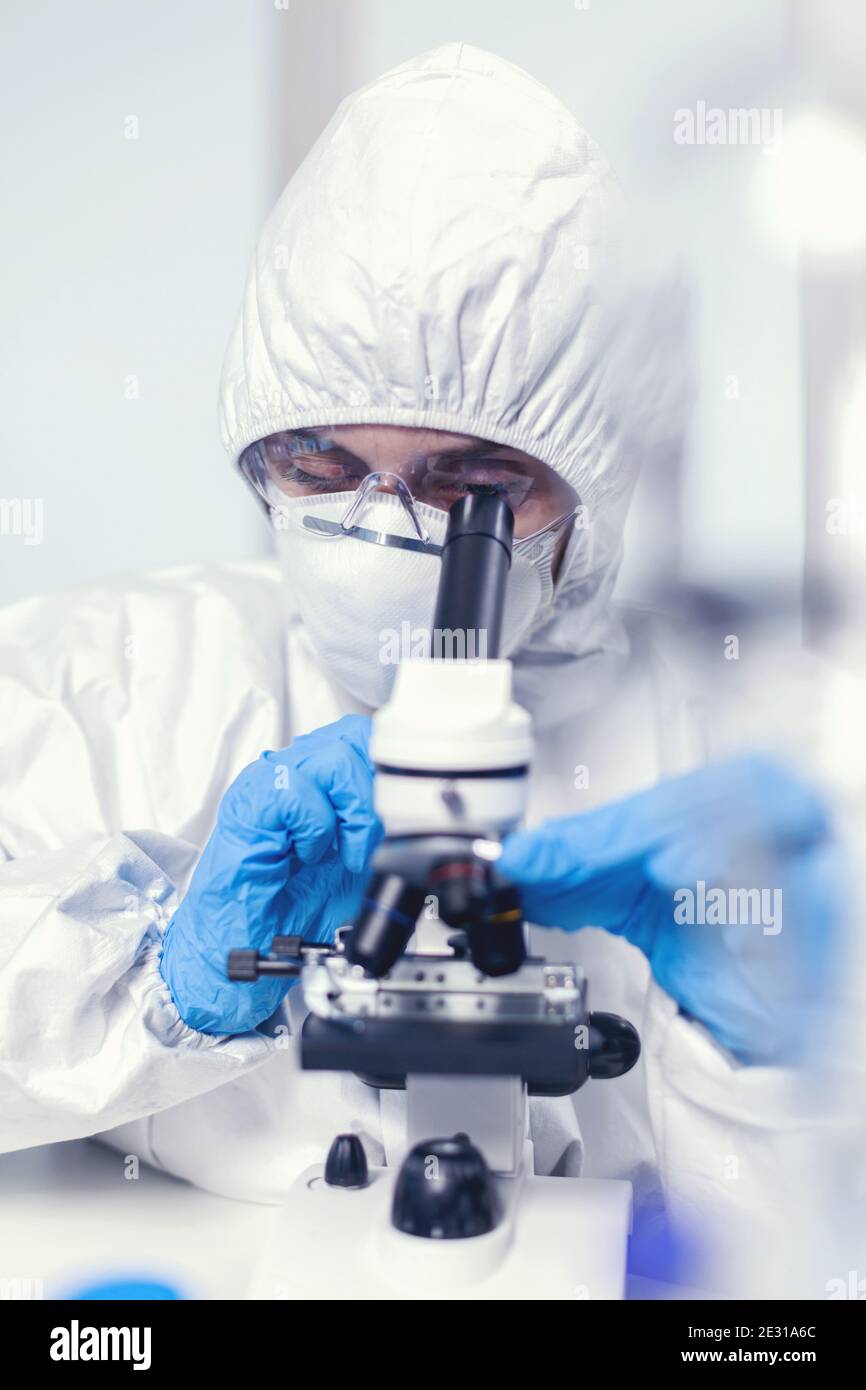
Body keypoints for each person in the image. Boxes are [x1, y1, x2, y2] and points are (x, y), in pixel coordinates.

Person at [0, 44, 845, 1290]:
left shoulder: (748, 736)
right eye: (322, 463)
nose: (390, 529)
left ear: (588, 497)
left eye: (475, 485)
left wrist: (772, 1050)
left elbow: (802, 1274)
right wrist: (171, 970)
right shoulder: (102, 679)